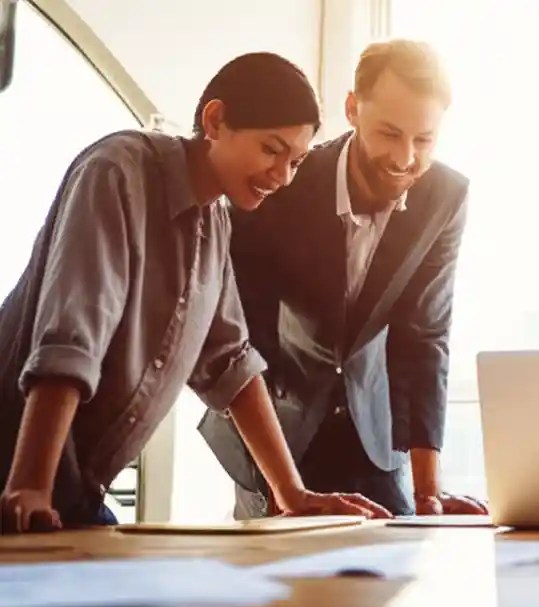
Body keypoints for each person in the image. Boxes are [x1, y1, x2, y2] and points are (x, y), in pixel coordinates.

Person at [0, 52, 392, 533]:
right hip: (17, 481)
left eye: (296, 161)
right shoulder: (117, 171)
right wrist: (30, 485)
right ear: (216, 120)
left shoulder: (214, 218)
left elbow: (231, 361)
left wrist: (292, 494)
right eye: (271, 149)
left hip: (72, 494)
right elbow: (72, 335)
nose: (282, 176)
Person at [199, 40, 485, 518]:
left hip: (373, 433)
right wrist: (280, 486)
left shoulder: (445, 197)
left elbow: (424, 336)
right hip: (278, 425)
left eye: (424, 140)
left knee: (393, 577)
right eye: (389, 133)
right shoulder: (279, 179)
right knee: (277, 584)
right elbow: (247, 333)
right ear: (353, 108)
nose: (404, 157)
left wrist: (428, 490)